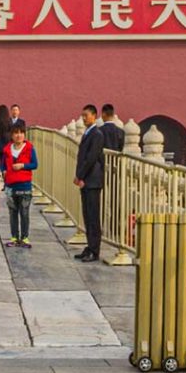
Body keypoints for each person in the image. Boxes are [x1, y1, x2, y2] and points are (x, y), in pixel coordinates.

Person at [73, 104, 108, 262]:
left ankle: (95, 250)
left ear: (94, 116)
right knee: (87, 215)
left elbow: (91, 158)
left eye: (86, 115)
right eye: (83, 115)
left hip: (92, 180)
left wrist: (80, 176)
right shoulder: (88, 133)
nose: (84, 118)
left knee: (93, 216)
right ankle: (90, 246)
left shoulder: (97, 134)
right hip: (87, 180)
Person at [1, 125, 37, 246]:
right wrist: (4, 171)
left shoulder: (29, 148)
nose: (19, 135)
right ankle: (14, 237)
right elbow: (3, 164)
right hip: (11, 185)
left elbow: (34, 164)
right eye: (16, 133)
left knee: (24, 212)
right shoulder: (7, 149)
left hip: (24, 185)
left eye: (21, 133)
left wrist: (23, 166)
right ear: (12, 135)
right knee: (13, 213)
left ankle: (25, 237)